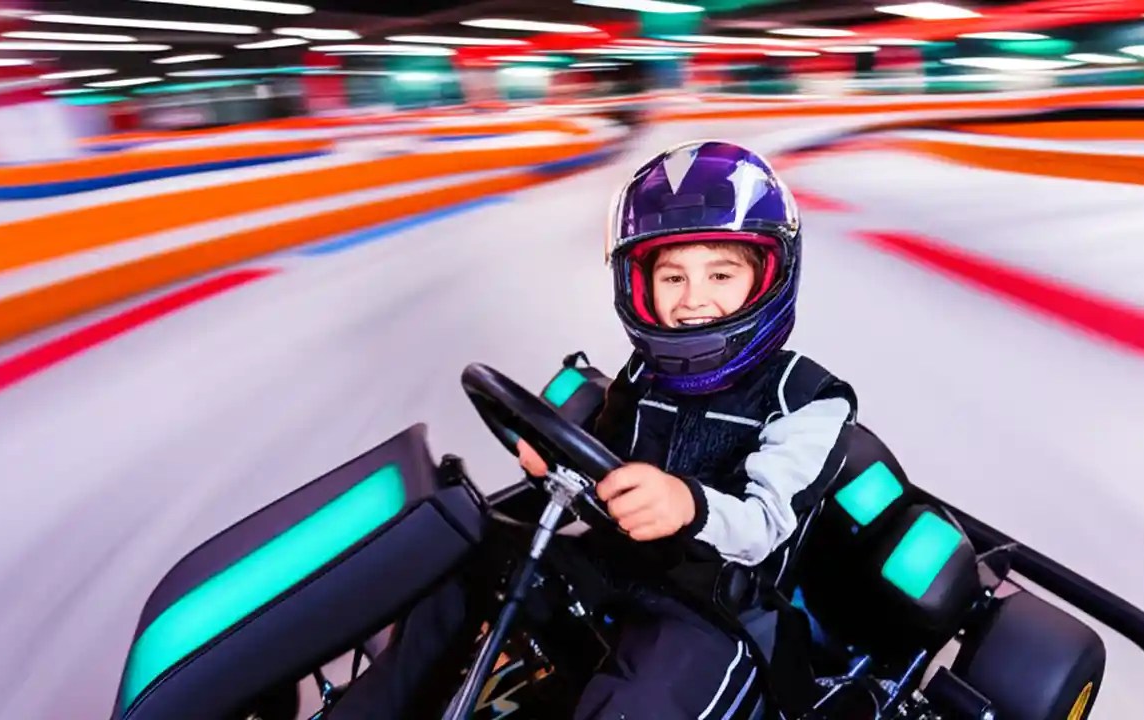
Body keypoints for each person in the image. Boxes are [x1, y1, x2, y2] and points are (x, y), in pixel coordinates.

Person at [331, 140, 857, 720]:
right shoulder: (642, 375)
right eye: (673, 277)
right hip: (615, 571)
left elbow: (763, 526)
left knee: (639, 703)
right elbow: (607, 473)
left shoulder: (808, 399)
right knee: (470, 563)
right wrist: (557, 468)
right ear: (640, 285)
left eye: (720, 273)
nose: (693, 300)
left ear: (767, 277)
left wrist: (689, 504)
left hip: (719, 616)